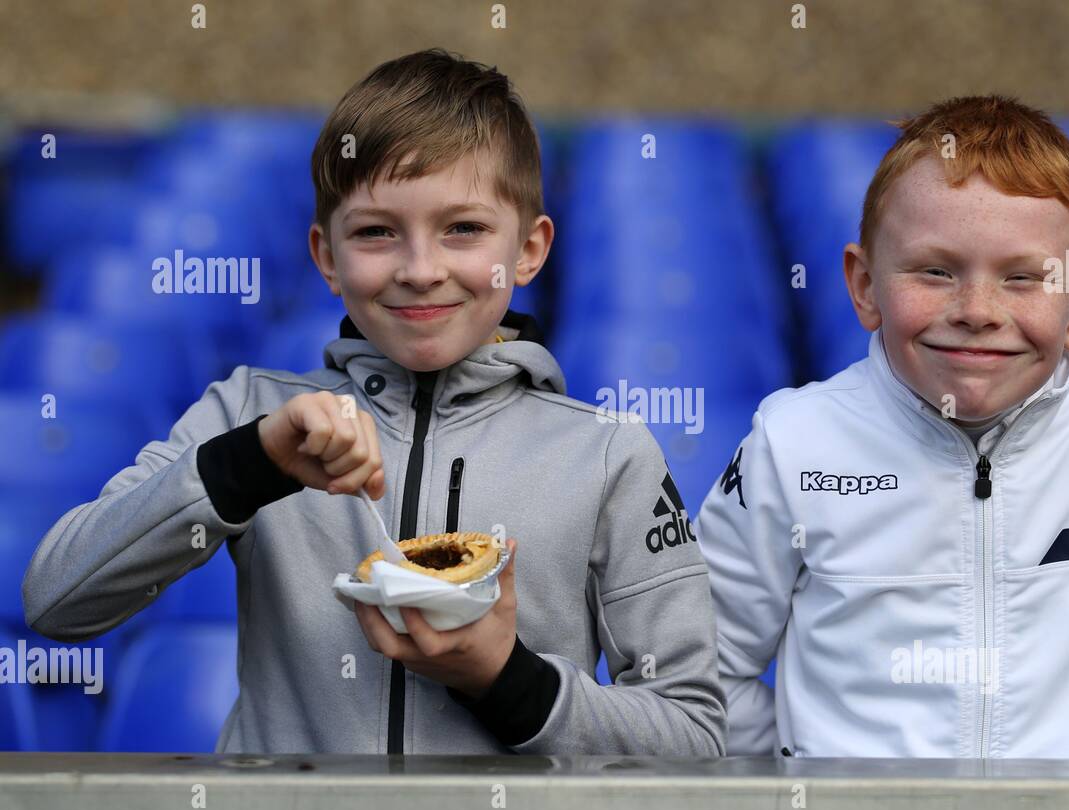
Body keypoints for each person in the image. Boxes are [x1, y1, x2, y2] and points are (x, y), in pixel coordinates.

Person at [23, 48, 725, 756]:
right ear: (326, 256)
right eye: (376, 233)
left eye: (464, 229)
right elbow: (57, 600)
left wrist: (506, 680)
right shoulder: (248, 414)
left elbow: (695, 737)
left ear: (529, 250)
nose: (421, 270)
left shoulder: (607, 453)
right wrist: (250, 465)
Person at [696, 95, 1069, 758]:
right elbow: (706, 664)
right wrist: (808, 785)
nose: (977, 310)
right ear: (863, 285)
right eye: (935, 271)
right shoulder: (791, 443)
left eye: (1023, 278)